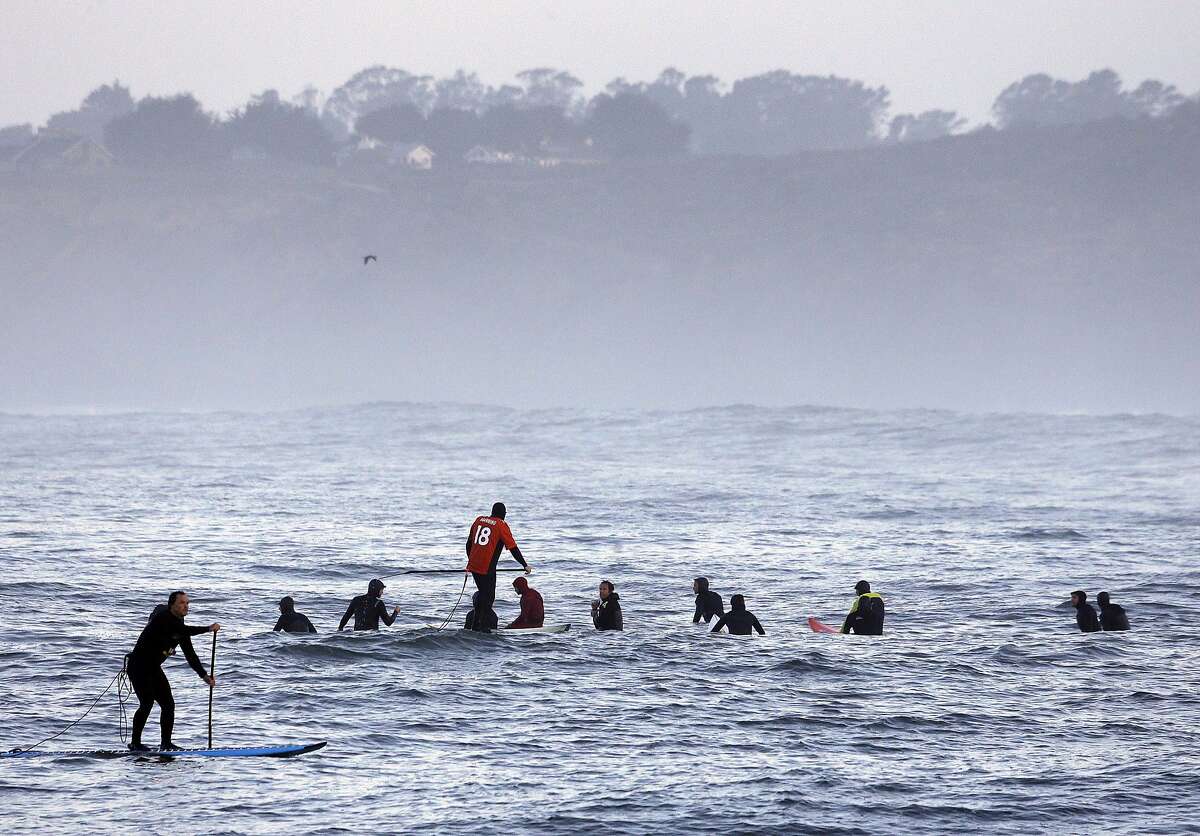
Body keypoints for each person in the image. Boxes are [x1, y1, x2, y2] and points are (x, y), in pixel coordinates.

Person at [126, 591, 219, 751]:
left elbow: (190, 654)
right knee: (147, 703)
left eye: (187, 603)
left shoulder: (181, 628)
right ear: (172, 605)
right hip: (138, 666)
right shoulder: (163, 618)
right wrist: (208, 629)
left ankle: (166, 744)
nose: (186, 606)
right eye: (182, 603)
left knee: (168, 704)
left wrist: (204, 676)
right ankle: (135, 744)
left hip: (153, 668)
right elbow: (183, 630)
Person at [466, 502, 531, 630]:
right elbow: (513, 548)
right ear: (504, 514)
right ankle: (481, 628)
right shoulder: (501, 525)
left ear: (492, 512)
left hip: (473, 566)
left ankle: (475, 624)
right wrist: (525, 565)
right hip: (487, 568)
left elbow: (468, 544)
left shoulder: (479, 520)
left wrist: (471, 561)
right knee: (489, 598)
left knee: (483, 594)